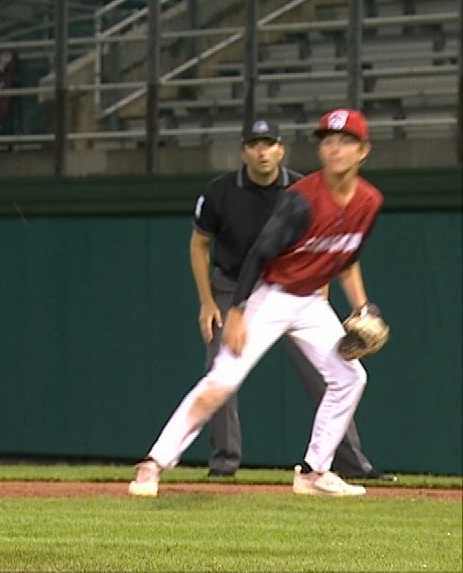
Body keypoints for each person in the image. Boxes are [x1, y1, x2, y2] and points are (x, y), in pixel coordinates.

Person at [129, 108, 384, 498]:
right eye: (328, 141)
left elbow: (346, 258)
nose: (334, 148)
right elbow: (258, 256)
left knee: (351, 377)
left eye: (345, 141)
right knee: (222, 382)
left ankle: (314, 471)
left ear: (363, 151)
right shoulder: (301, 199)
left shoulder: (368, 201)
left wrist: (363, 307)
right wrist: (237, 312)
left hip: (311, 301)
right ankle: (154, 464)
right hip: (271, 294)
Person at [192, 119, 392, 481]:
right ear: (244, 152)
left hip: (296, 292)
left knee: (334, 373)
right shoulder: (221, 191)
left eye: (269, 143)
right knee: (221, 374)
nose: (262, 151)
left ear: (281, 149)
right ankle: (223, 465)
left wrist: (335, 296)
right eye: (254, 144)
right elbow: (199, 244)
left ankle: (345, 464)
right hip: (232, 288)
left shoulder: (304, 187)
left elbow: (339, 252)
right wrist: (208, 302)